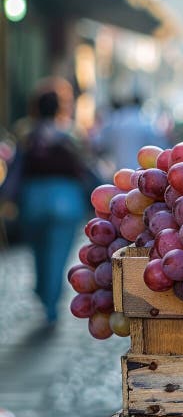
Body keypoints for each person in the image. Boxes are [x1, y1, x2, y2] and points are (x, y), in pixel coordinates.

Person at [16, 78, 99, 323]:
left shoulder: (27, 133)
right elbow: (86, 168)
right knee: (58, 252)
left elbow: (16, 171)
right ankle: (50, 299)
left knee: (37, 250)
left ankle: (43, 290)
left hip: (32, 197)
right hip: (66, 198)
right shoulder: (71, 134)